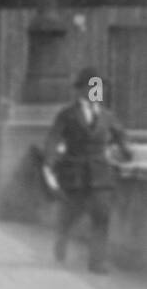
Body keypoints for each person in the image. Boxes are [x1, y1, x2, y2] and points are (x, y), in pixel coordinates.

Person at [44, 67, 131, 275]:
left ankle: (97, 262)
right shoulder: (67, 115)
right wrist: (49, 163)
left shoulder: (107, 116)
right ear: (82, 89)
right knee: (71, 214)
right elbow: (53, 139)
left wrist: (126, 152)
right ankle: (62, 238)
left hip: (100, 175)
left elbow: (121, 137)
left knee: (102, 216)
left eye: (100, 87)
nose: (97, 90)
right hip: (75, 174)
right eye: (93, 86)